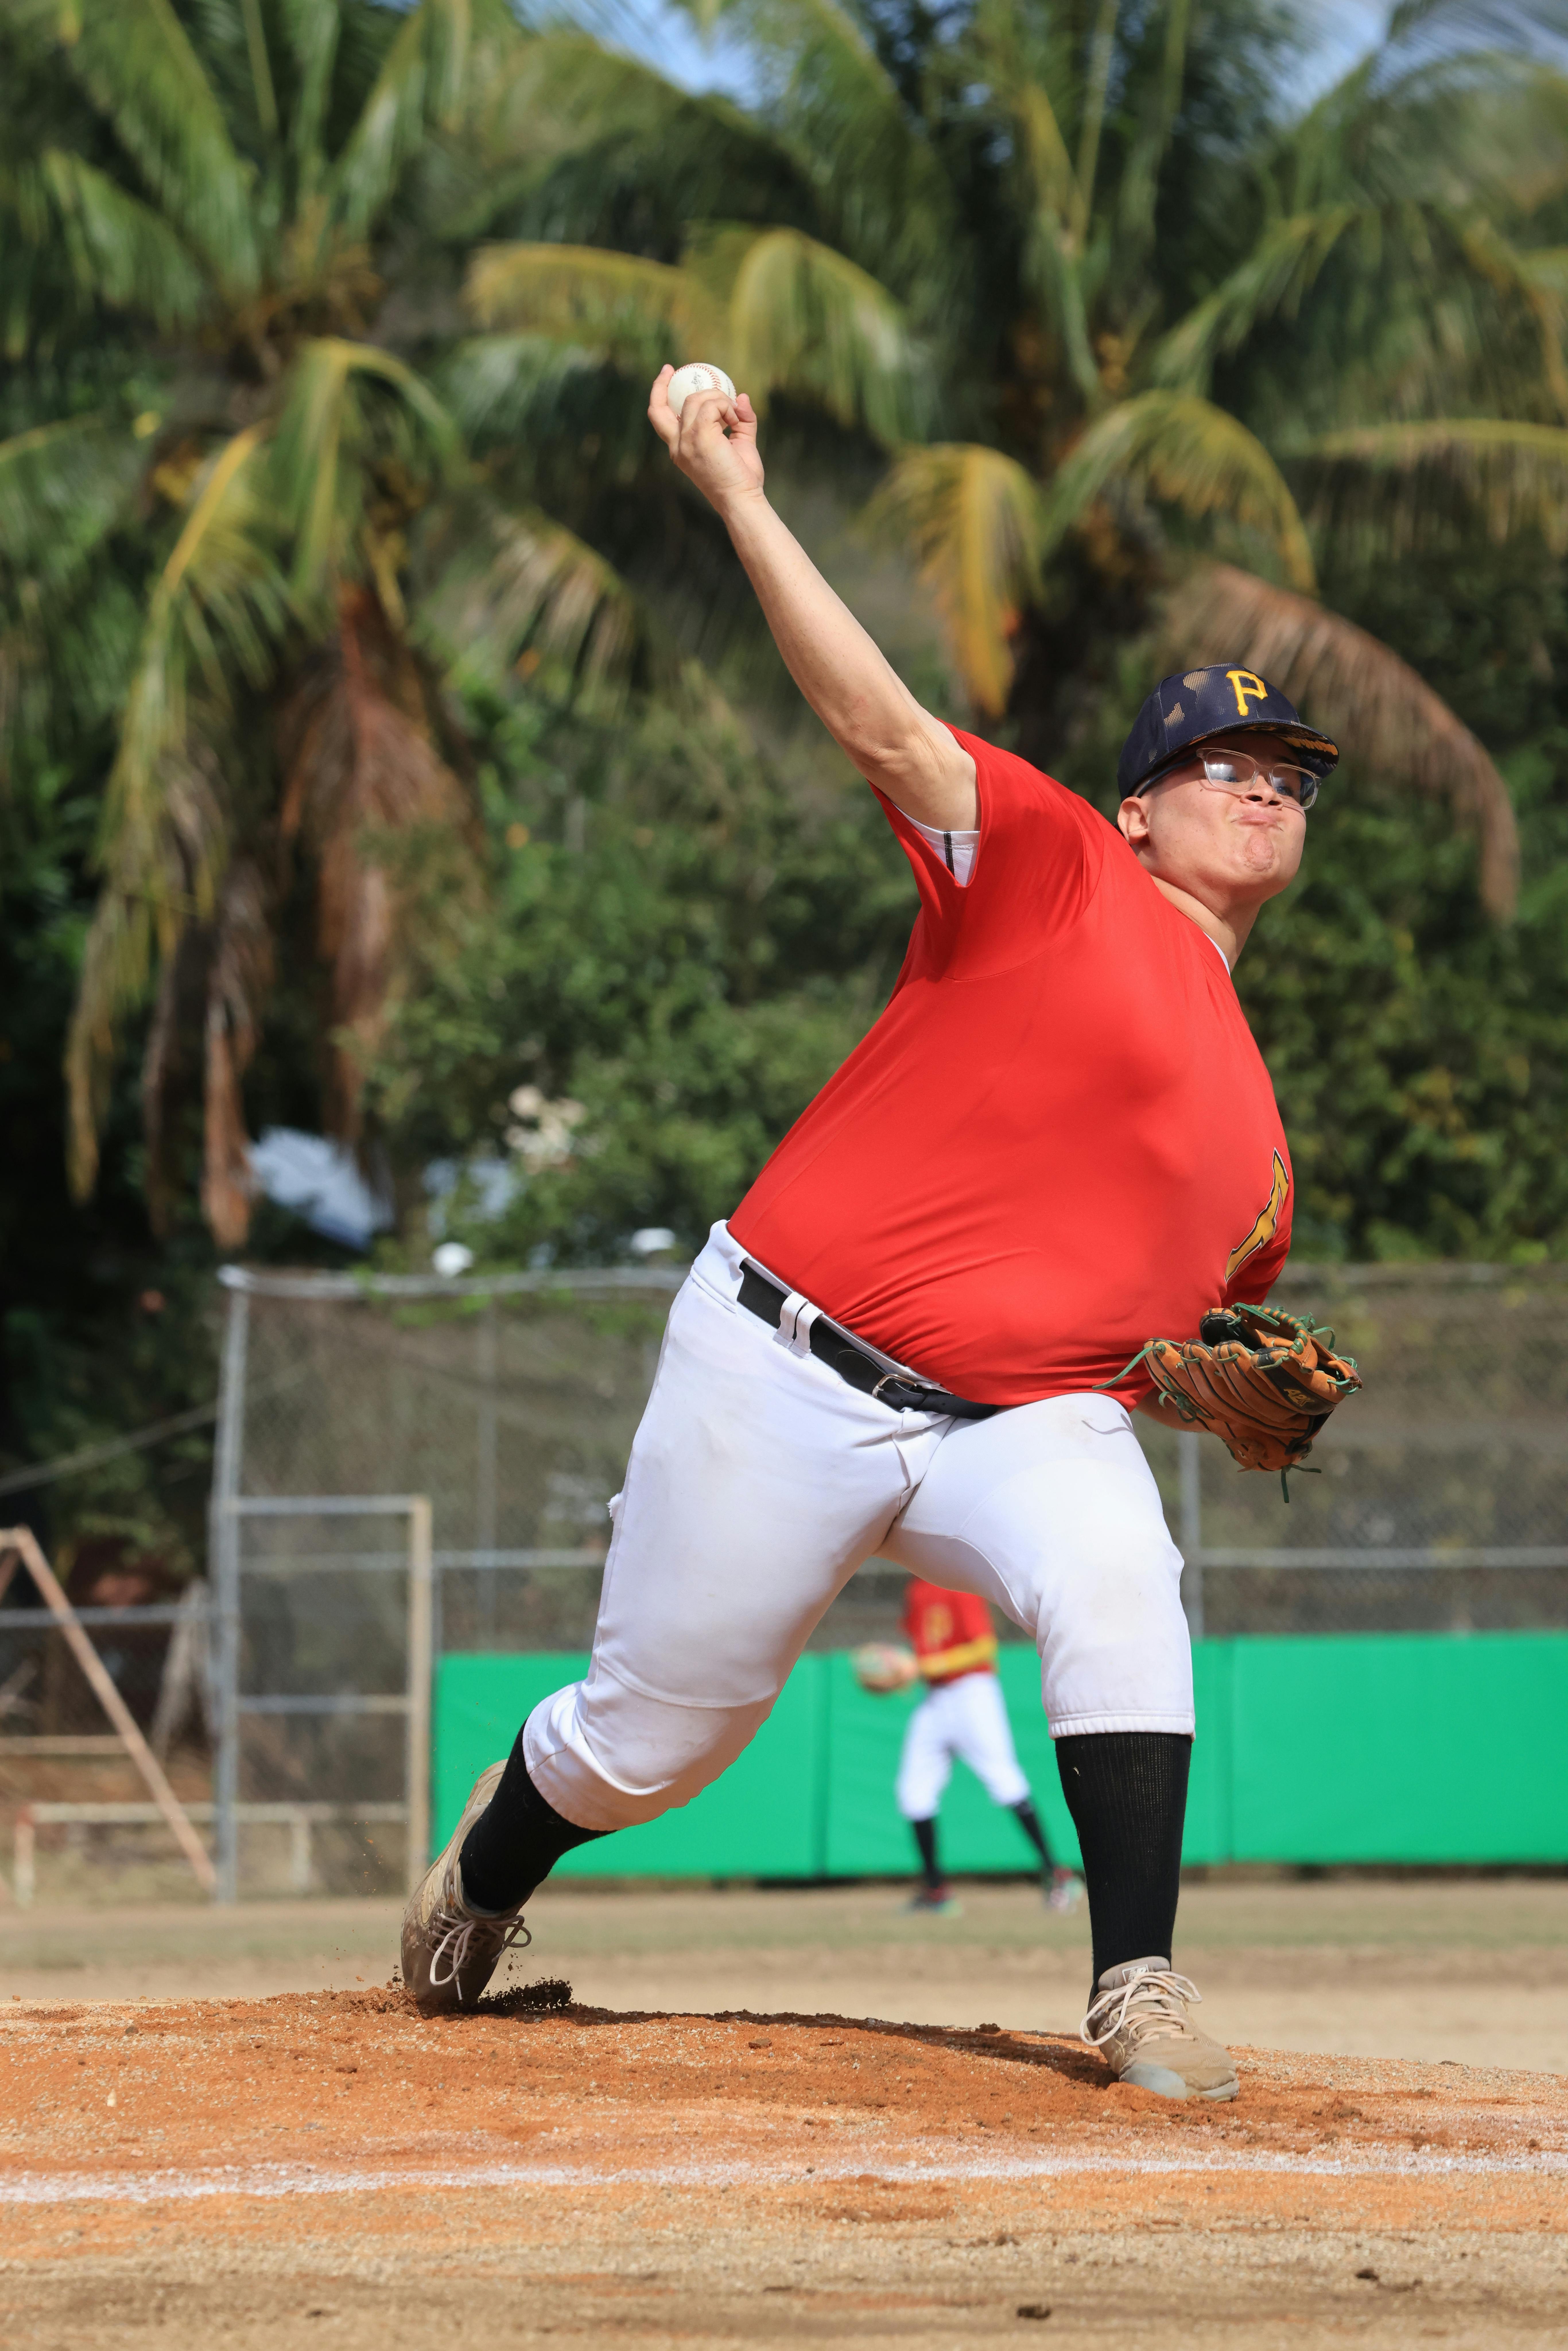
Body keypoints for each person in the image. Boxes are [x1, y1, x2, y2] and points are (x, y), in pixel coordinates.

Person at [401, 364, 1338, 2104]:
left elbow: (1150, 1349)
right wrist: (744, 502)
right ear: (1138, 806)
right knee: (654, 1743)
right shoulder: (1056, 868)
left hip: (1018, 1427)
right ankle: (480, 1882)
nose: (1261, 785)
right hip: (786, 1362)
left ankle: (1136, 1980)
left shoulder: (1262, 1161)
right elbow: (890, 731)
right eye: (1217, 762)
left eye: (1288, 771)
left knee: (1125, 1572)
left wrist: (1194, 1395)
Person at [893, 1577, 1083, 1917]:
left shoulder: (951, 1579)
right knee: (913, 1792)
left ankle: (1058, 1875)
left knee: (1004, 1781)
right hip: (935, 1696)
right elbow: (920, 1648)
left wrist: (927, 1666)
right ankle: (935, 1890)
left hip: (972, 1691)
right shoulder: (915, 1589)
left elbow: (983, 1646)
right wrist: (897, 1669)